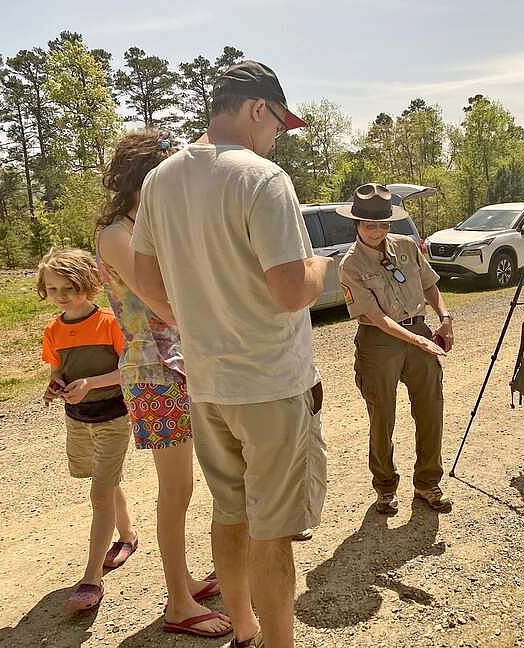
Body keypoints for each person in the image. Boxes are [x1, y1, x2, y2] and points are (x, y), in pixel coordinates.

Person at [131, 60, 330, 648]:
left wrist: (196, 325)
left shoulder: (160, 180)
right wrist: (322, 267)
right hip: (269, 383)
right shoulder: (263, 179)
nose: (277, 139)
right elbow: (292, 291)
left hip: (207, 382)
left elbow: (144, 277)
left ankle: (243, 627)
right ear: (256, 109)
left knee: (230, 510)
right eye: (277, 126)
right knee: (273, 530)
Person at [95, 130, 232, 639]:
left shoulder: (146, 225)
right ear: (145, 177)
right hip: (153, 369)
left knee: (186, 486)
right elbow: (160, 300)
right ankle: (177, 602)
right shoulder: (116, 233)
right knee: (176, 489)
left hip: (177, 361)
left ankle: (186, 581)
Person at [338, 183, 454, 516]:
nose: (376, 231)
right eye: (368, 224)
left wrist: (444, 318)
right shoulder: (351, 264)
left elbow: (430, 284)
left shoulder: (405, 246)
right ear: (356, 224)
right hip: (379, 341)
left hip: (419, 330)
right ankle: (385, 488)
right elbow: (374, 317)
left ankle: (427, 483)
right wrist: (419, 341)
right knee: (382, 417)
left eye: (382, 224)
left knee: (431, 410)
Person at [37, 248, 137, 613]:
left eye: (69, 287)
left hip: (113, 418)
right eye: (52, 288)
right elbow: (56, 370)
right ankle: (127, 535)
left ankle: (91, 578)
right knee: (102, 479)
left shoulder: (110, 322)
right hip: (77, 419)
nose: (61, 295)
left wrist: (91, 384)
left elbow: (130, 370)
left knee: (99, 494)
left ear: (88, 285)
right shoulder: (53, 329)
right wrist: (55, 385)